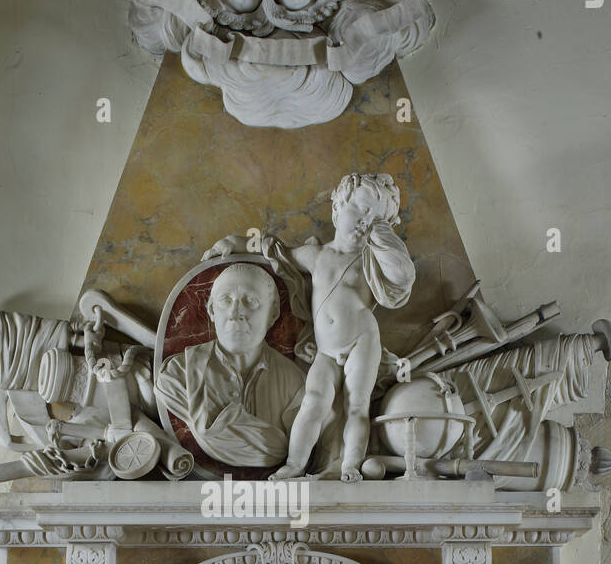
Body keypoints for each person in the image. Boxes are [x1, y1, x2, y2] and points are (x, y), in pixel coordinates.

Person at [266, 173, 416, 481]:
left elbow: (402, 276)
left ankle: (350, 464)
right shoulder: (316, 255)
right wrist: (236, 243)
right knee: (313, 402)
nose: (365, 221)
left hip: (363, 339)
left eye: (377, 218)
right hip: (325, 349)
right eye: (360, 209)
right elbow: (276, 252)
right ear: (337, 207)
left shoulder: (371, 261)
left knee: (357, 405)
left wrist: (381, 235)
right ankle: (295, 464)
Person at [155, 262, 305, 467]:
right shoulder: (177, 374)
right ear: (211, 310)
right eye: (226, 300)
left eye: (250, 301)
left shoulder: (294, 383)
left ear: (273, 313)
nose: (235, 313)